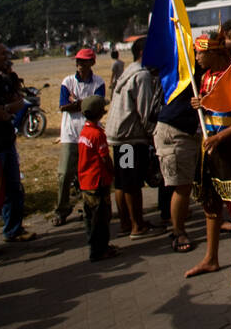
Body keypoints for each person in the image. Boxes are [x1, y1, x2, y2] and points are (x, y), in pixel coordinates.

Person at [185, 33, 231, 289]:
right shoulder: (204, 78)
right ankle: (211, 257)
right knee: (210, 205)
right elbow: (212, 109)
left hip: (228, 150)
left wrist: (221, 137)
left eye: (201, 53)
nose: (198, 58)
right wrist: (199, 105)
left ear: (214, 52)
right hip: (208, 149)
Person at [105, 38, 163, 238]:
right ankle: (137, 226)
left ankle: (125, 222)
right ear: (143, 52)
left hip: (120, 137)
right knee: (131, 182)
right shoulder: (142, 76)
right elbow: (145, 111)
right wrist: (153, 134)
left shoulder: (129, 71)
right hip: (130, 139)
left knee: (122, 182)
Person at [52, 47, 105, 226]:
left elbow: (96, 106)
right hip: (70, 133)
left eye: (84, 61)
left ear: (92, 63)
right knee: (64, 173)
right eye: (78, 61)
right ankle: (62, 208)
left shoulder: (98, 82)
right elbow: (63, 106)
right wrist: (84, 104)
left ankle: (87, 205)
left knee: (88, 173)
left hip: (89, 132)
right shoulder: (68, 81)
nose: (80, 65)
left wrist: (75, 103)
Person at [153, 61, 203, 253]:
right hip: (173, 133)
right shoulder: (185, 71)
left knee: (183, 184)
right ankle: (177, 230)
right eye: (199, 53)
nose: (201, 57)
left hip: (187, 133)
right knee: (180, 186)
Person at [0, 43, 35, 244]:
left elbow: (19, 102)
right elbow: (0, 113)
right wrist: (7, 108)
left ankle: (13, 229)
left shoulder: (4, 80)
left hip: (7, 141)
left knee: (13, 187)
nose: (6, 57)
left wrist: (6, 107)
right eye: (3, 54)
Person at [77, 95, 118, 262]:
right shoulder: (97, 134)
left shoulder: (84, 132)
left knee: (90, 217)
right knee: (101, 218)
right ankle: (99, 249)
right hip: (98, 180)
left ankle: (95, 245)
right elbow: (104, 157)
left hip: (86, 181)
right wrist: (113, 171)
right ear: (100, 113)